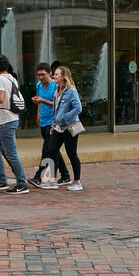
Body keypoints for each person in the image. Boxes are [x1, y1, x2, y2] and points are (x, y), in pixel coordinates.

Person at [0, 54, 28, 195]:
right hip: (10, 119)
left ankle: (22, 183)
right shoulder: (12, 78)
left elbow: (1, 98)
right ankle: (1, 180)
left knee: (11, 154)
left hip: (6, 121)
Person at [42, 64, 84, 192]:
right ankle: (53, 180)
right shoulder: (57, 91)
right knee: (51, 150)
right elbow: (56, 110)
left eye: (56, 74)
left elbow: (78, 108)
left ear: (63, 77)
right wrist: (54, 125)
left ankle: (77, 181)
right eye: (54, 74)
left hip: (70, 127)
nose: (54, 76)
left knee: (71, 153)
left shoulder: (71, 92)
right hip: (58, 128)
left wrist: (65, 118)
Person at [30, 61, 70, 187]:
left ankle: (39, 176)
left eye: (43, 75)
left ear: (50, 74)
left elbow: (58, 105)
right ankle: (65, 175)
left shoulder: (55, 86)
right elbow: (39, 102)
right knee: (54, 150)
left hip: (53, 123)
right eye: (39, 75)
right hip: (43, 121)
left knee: (47, 150)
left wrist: (43, 101)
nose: (41, 78)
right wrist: (38, 114)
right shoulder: (38, 86)